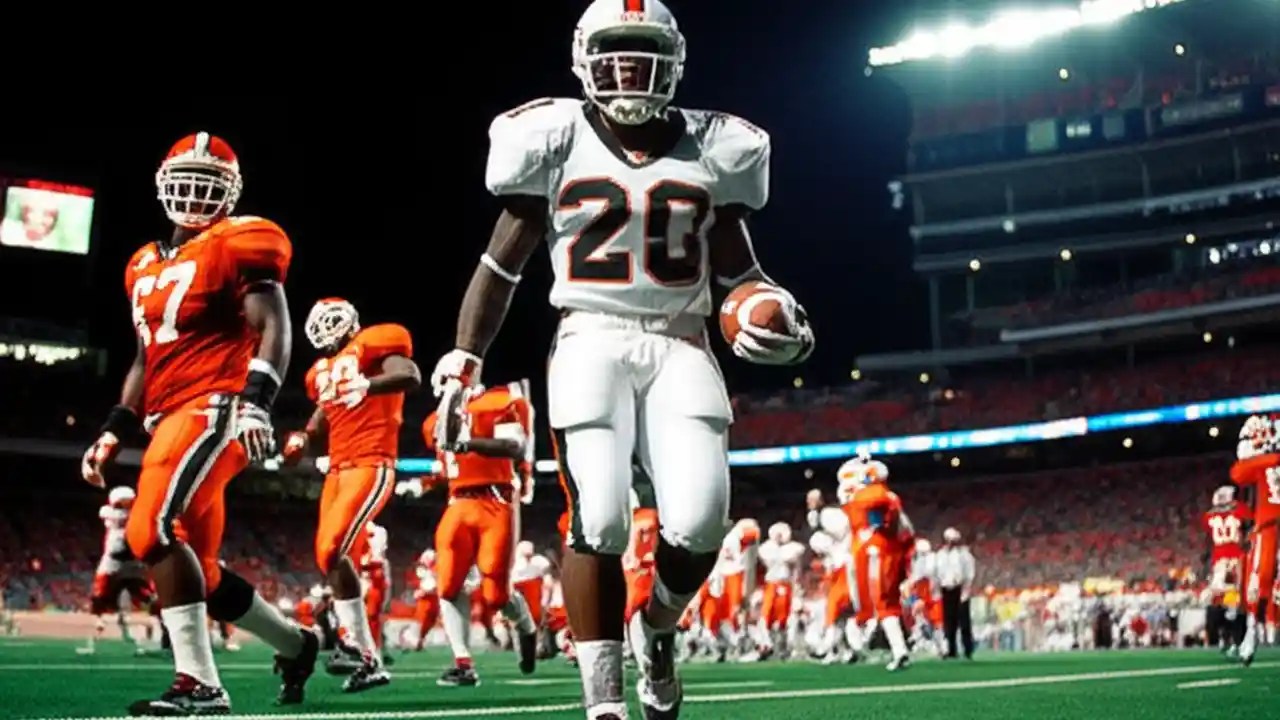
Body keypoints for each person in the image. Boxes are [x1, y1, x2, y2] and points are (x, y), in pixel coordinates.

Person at [428, 1, 814, 717]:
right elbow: (500, 265)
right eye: (615, 52)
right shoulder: (552, 136)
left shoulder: (716, 145)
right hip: (591, 334)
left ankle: (657, 624)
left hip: (682, 337)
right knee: (599, 519)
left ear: (674, 60)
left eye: (644, 52)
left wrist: (771, 308)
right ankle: (603, 701)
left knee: (699, 522)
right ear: (585, 59)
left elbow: (737, 271)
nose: (630, 67)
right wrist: (463, 356)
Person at [80, 132, 319, 715]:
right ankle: (297, 644)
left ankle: (201, 684)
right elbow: (145, 357)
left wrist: (258, 399)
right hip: (167, 416)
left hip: (217, 405)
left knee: (150, 531)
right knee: (202, 574)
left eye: (209, 182)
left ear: (232, 192)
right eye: (184, 178)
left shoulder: (241, 239)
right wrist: (115, 426)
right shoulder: (141, 264)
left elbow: (273, 326)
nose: (194, 192)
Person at [282, 296, 420, 692]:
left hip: (371, 461)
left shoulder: (379, 339)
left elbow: (410, 375)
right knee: (330, 556)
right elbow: (320, 420)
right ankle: (367, 657)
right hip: (338, 469)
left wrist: (369, 384)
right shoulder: (319, 371)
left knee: (330, 549)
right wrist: (301, 439)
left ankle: (353, 645)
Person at [419, 383, 540, 686]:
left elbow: (514, 447)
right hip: (458, 500)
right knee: (447, 585)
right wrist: (425, 483)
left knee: (495, 595)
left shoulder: (501, 401)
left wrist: (467, 442)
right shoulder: (436, 418)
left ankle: (526, 628)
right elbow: (450, 465)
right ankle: (463, 662)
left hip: (495, 499)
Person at [83, 486, 154, 655]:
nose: (128, 504)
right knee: (100, 596)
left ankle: (159, 631)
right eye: (125, 501)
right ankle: (95, 635)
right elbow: (108, 512)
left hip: (133, 563)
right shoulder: (112, 513)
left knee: (147, 597)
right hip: (113, 561)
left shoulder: (134, 514)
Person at [935, 527, 976, 660]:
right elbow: (937, 574)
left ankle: (968, 649)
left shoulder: (964, 555)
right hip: (946, 589)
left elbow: (969, 574)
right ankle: (951, 650)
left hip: (960, 589)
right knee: (949, 621)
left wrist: (966, 591)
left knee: (964, 621)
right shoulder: (940, 555)